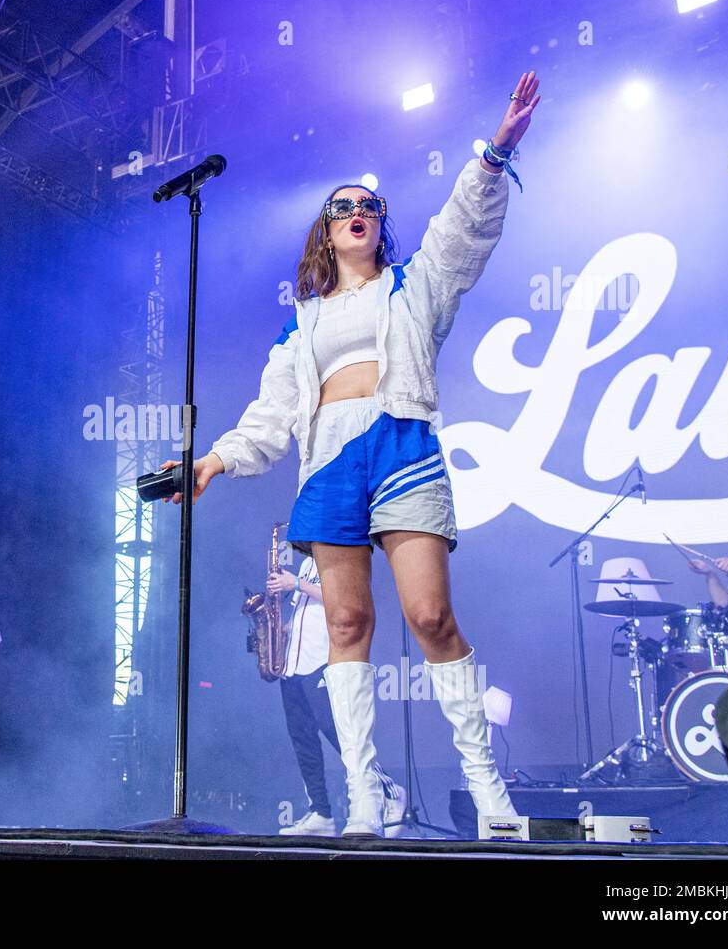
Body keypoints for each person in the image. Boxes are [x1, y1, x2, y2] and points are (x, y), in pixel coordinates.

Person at [167, 72, 541, 836]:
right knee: (345, 628)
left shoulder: (414, 285)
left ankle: (487, 787)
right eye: (343, 208)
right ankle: (363, 796)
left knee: (432, 617)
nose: (358, 213)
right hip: (329, 465)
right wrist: (214, 461)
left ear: (380, 225)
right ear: (324, 232)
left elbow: (462, 230)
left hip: (401, 444)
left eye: (369, 206)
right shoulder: (301, 323)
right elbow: (272, 413)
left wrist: (494, 153)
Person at [268, 556, 406, 837]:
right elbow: (306, 614)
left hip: (323, 659)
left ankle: (390, 791)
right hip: (293, 663)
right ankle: (320, 812)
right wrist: (280, 630)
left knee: (341, 734)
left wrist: (295, 583)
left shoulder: (337, 558)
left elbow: (341, 601)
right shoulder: (307, 564)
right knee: (302, 739)